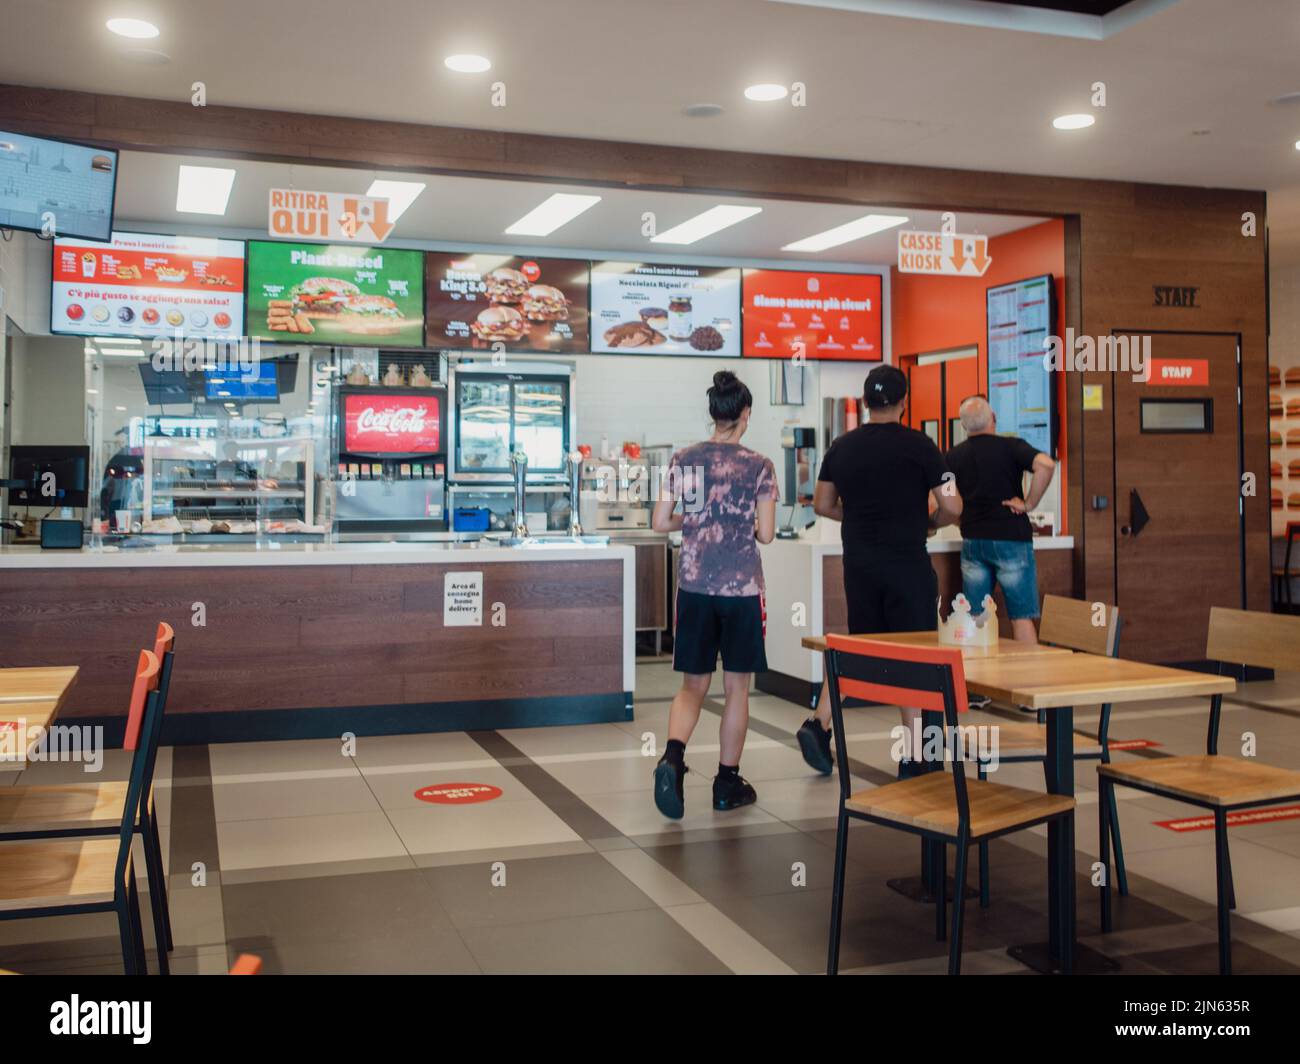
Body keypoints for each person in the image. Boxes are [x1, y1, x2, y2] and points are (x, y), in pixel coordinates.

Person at [796, 364, 962, 778]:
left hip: (860, 564)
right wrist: (929, 522)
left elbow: (820, 504)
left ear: (867, 403)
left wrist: (855, 516)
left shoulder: (842, 447)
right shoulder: (922, 446)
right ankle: (915, 755)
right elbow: (954, 506)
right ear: (905, 403)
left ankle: (819, 723)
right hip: (907, 563)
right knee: (915, 655)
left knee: (860, 647)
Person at [651, 371, 778, 819]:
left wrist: (699, 523)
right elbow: (765, 534)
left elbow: (659, 522)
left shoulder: (685, 460)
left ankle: (671, 758)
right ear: (745, 414)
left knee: (693, 686)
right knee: (737, 687)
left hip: (695, 587)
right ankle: (727, 783)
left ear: (713, 414)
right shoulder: (760, 465)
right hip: (741, 590)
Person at [944, 395, 1056, 645]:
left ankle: (976, 678)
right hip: (1012, 539)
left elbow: (945, 499)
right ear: (993, 419)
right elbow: (1046, 465)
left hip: (974, 540)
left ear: (963, 426)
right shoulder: (1012, 447)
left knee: (974, 616)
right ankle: (1029, 679)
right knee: (1021, 617)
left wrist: (960, 520)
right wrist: (1029, 503)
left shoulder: (952, 457)